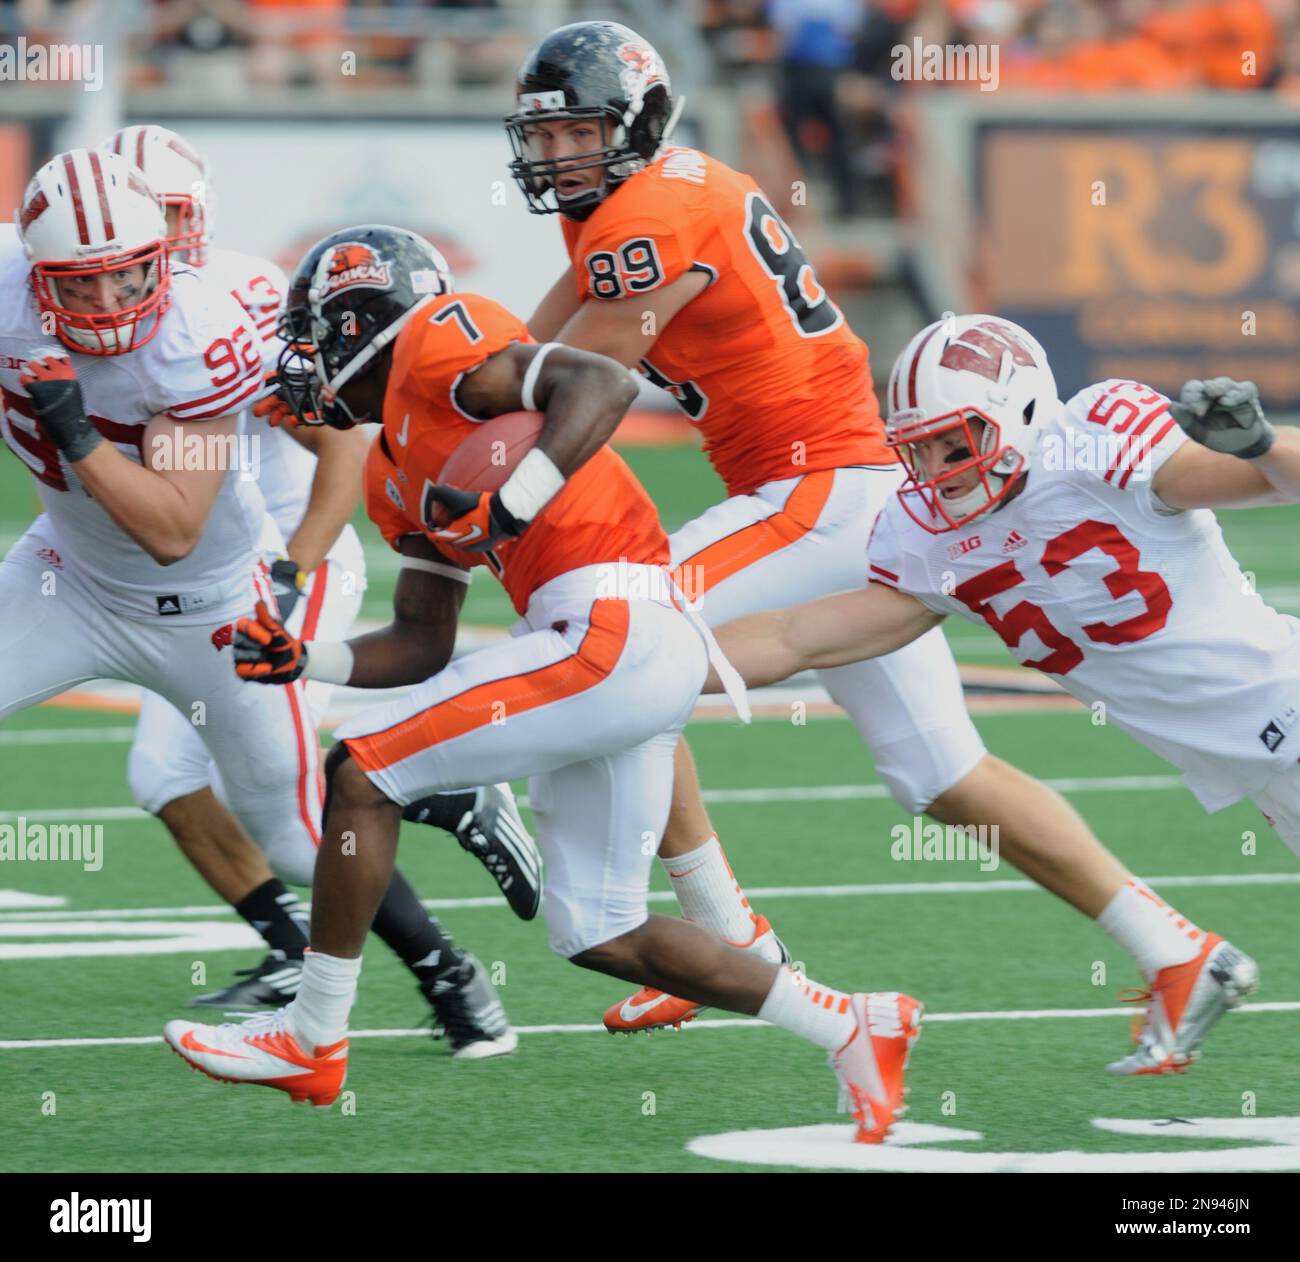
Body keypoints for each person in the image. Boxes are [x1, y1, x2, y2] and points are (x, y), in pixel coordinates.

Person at [506, 22, 1227, 1051]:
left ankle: (728, 935)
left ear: (636, 122)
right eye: (545, 135)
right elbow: (529, 350)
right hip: (866, 491)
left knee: (622, 643)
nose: (557, 155)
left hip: (815, 487)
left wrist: (478, 444)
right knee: (941, 772)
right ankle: (1171, 945)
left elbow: (580, 380)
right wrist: (466, 371)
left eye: (578, 131)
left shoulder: (647, 212)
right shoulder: (658, 192)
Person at [162, 225, 922, 1144]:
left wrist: (511, 499)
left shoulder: (439, 340)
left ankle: (314, 1035)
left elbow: (600, 381)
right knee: (599, 931)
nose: (307, 357)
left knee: (362, 772)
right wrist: (308, 660)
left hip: (613, 622)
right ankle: (854, 1025)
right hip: (605, 646)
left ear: (366, 319)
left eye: (318, 331)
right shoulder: (392, 475)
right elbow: (421, 639)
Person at [0, 150, 511, 1060]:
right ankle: (294, 943)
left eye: (130, 276)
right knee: (167, 778)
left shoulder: (201, 334)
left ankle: (444, 968)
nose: (114, 306)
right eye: (84, 288)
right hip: (66, 577)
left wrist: (72, 426)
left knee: (291, 822)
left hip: (206, 601)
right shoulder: (8, 286)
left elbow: (173, 527)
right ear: (38, 278)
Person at [708, 313, 1297, 1074]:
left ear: (1023, 413)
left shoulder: (1097, 446)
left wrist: (1262, 443)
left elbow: (1277, 483)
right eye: (920, 448)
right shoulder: (932, 536)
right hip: (1264, 762)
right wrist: (656, 664)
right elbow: (796, 637)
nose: (940, 468)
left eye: (957, 441)